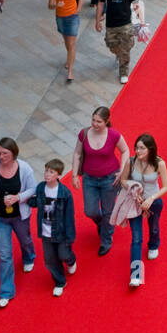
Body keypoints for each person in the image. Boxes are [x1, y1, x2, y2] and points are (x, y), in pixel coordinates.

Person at [0, 137, 37, 309]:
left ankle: (29, 256)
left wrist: (18, 198)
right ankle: (6, 292)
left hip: (20, 215)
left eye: (4, 153)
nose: (1, 156)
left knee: (25, 240)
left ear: (13, 153)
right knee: (4, 255)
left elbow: (33, 188)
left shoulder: (24, 168)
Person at [72, 105, 129, 255]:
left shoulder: (113, 135)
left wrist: (122, 170)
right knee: (90, 211)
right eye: (93, 120)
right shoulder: (84, 134)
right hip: (89, 179)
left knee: (108, 211)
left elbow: (125, 150)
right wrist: (74, 175)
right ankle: (102, 225)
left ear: (107, 121)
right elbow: (77, 153)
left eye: (99, 121)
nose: (95, 124)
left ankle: (106, 239)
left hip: (110, 178)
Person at [116, 133, 167, 282]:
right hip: (134, 203)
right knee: (136, 238)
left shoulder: (159, 163)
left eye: (142, 148)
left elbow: (166, 187)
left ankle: (153, 244)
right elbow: (123, 180)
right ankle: (136, 275)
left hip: (153, 202)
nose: (138, 151)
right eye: (136, 148)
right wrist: (133, 189)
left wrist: (152, 198)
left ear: (150, 149)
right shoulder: (131, 162)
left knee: (153, 227)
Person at [29, 159, 77, 297]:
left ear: (58, 175)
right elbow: (36, 201)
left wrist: (70, 237)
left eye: (51, 172)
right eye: (46, 171)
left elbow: (69, 216)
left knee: (63, 254)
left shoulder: (65, 193)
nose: (47, 174)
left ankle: (71, 260)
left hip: (60, 232)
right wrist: (24, 200)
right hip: (46, 232)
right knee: (49, 259)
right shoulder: (40, 188)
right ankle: (60, 282)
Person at [95, 0, 140, 83]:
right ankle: (119, 52)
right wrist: (97, 20)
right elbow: (100, 4)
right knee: (111, 44)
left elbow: (136, 5)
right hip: (111, 24)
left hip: (125, 24)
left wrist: (140, 22)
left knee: (125, 50)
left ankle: (123, 72)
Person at [48, 0, 83, 83]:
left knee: (72, 43)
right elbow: (50, 5)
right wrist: (57, 5)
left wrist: (78, 10)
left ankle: (70, 71)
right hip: (61, 18)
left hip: (73, 17)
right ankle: (70, 58)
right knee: (67, 42)